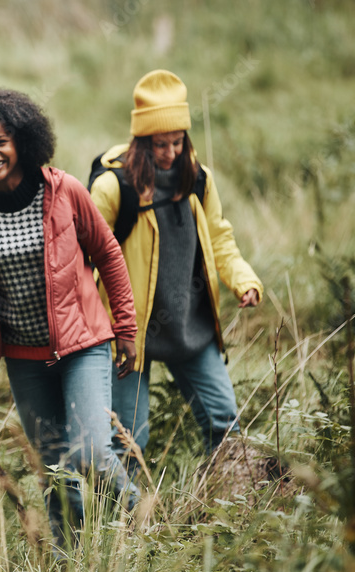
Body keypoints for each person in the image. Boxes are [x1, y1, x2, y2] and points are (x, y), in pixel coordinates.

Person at [0, 88, 141, 552]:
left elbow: (108, 255)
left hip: (83, 346)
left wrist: (127, 328)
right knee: (53, 466)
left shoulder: (65, 190)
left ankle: (140, 518)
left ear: (23, 141)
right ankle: (69, 557)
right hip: (25, 357)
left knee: (91, 452)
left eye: (0, 141)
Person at [89, 69, 263, 473]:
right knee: (129, 438)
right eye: (159, 144)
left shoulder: (198, 179)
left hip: (188, 324)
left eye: (177, 142)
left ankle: (224, 504)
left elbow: (220, 238)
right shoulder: (116, 187)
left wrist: (243, 280)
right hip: (127, 331)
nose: (169, 152)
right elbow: (85, 255)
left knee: (224, 422)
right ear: (142, 140)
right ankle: (123, 525)